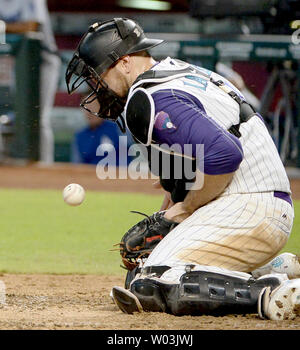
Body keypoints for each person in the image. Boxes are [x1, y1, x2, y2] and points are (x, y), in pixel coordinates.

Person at [65, 18, 300, 320]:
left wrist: (187, 209)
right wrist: (172, 212)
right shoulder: (176, 72)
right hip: (260, 205)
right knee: (141, 278)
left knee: (153, 280)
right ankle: (274, 268)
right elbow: (185, 173)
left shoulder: (145, 98)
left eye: (98, 77)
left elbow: (225, 155)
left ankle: (270, 293)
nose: (96, 88)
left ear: (124, 62)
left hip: (250, 208)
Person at [0, 0, 61, 164]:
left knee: (39, 118)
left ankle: (44, 166)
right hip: (18, 62)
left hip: (44, 60)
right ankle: (21, 165)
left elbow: (32, 26)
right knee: (17, 116)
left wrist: (4, 27)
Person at [71, 97, 134, 166]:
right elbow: (77, 165)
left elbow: (131, 150)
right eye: (86, 108)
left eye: (93, 106)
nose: (90, 112)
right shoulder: (80, 136)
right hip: (89, 175)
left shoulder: (118, 128)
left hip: (117, 174)